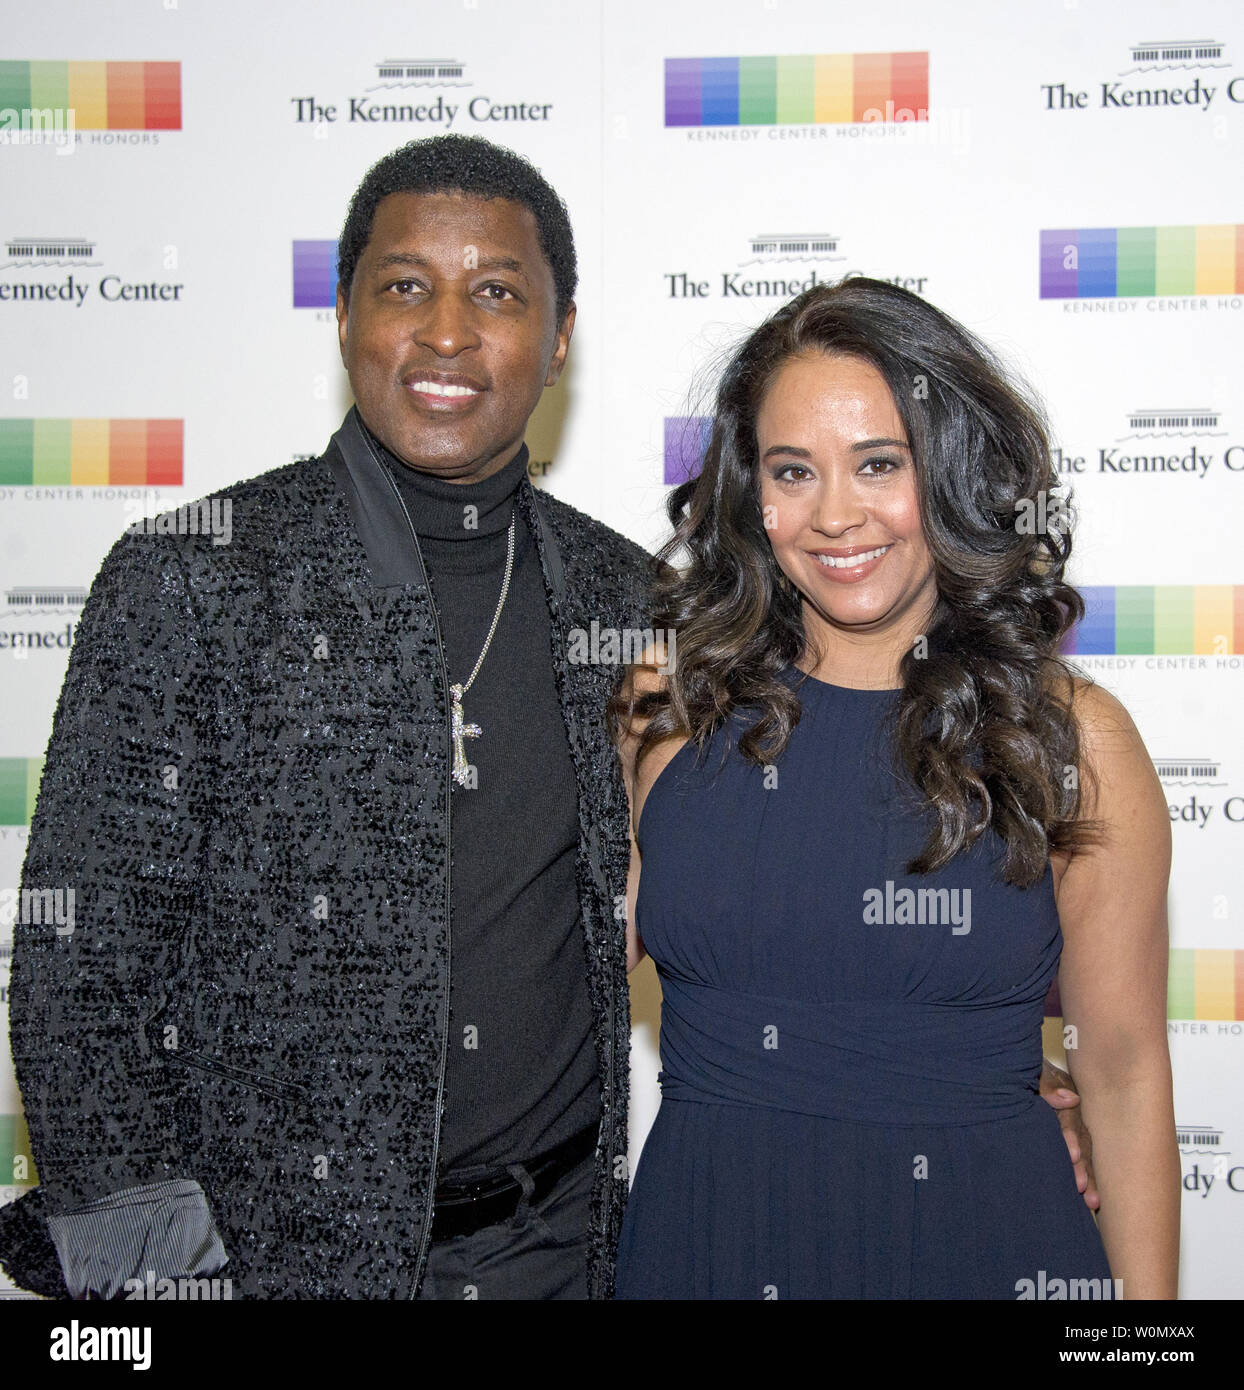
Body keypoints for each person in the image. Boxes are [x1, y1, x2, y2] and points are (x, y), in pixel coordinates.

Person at [0, 134, 651, 1300]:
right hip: (263, 1268)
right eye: (404, 285)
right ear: (344, 314)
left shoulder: (623, 597)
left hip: (553, 1254)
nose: (446, 331)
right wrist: (160, 1285)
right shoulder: (192, 579)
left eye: (495, 293)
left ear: (558, 340)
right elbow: (78, 975)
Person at [610, 278, 1177, 1299]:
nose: (835, 514)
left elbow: (1126, 1074)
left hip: (983, 1248)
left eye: (879, 463)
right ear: (752, 492)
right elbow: (554, 983)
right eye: (792, 470)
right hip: (708, 1248)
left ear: (953, 474)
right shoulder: (665, 705)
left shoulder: (1071, 739)